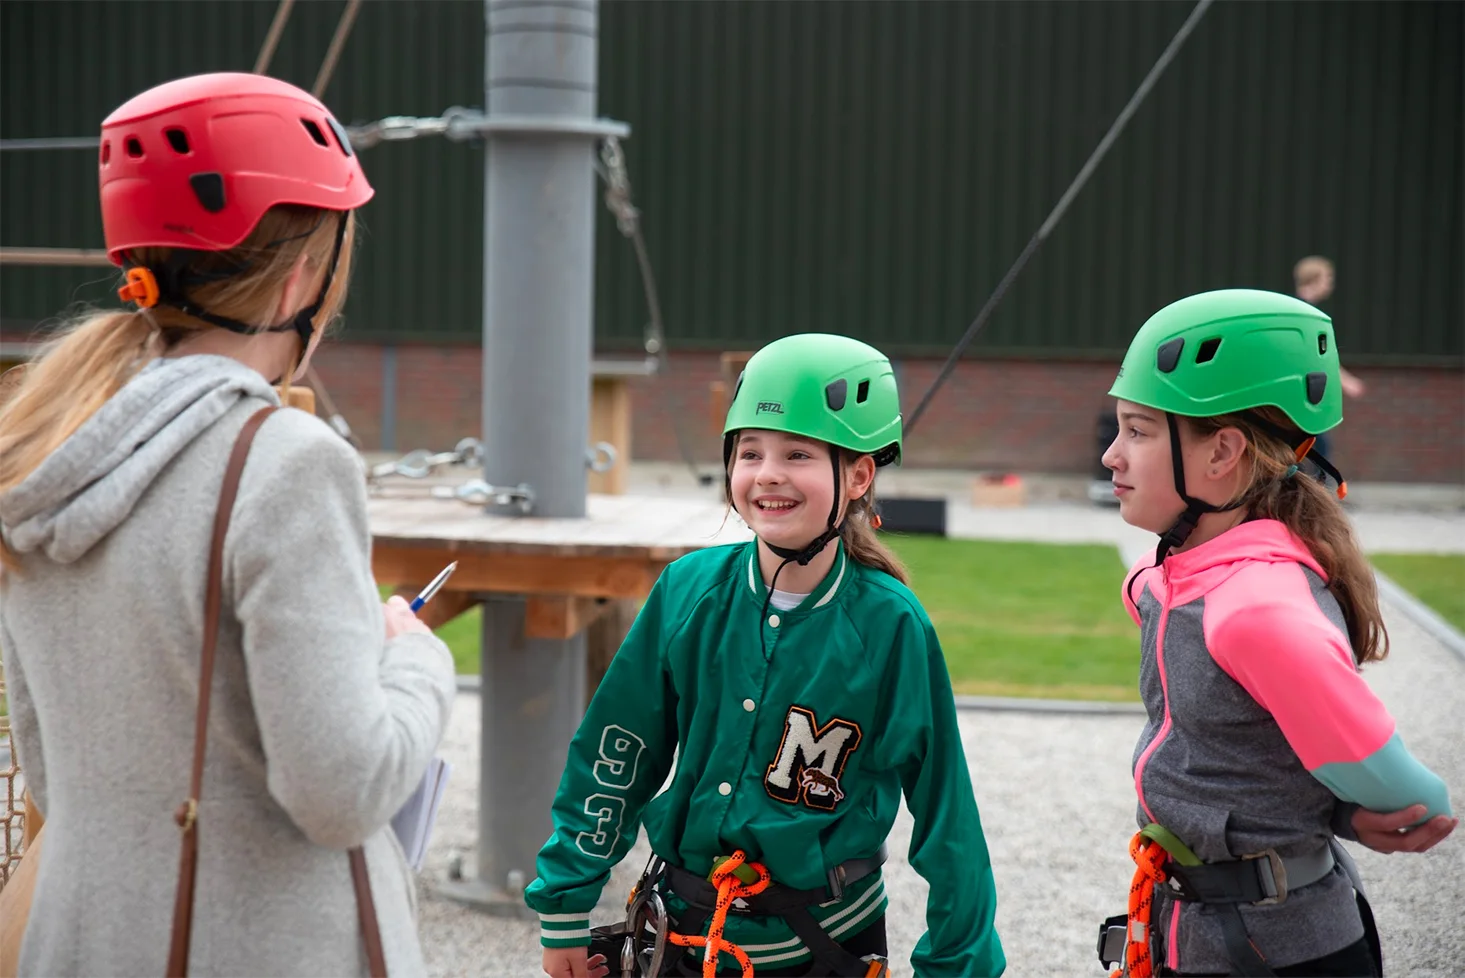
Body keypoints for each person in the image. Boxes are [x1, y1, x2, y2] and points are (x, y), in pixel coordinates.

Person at [0, 73, 456, 975]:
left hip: (84, 942)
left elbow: (54, 771)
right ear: (302, 275)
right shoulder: (289, 462)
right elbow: (344, 789)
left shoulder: (39, 451)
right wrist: (414, 658)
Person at [524, 333, 1005, 978]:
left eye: (798, 453)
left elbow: (948, 815)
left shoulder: (890, 625)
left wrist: (958, 964)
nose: (768, 473)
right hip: (681, 938)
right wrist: (566, 902)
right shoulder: (687, 591)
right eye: (749, 452)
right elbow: (615, 754)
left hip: (824, 948)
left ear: (859, 474)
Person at [1098, 289, 1455, 978]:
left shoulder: (1256, 608)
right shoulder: (1169, 579)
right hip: (1190, 931)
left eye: (1138, 431)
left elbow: (1413, 798)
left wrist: (1364, 810)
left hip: (1278, 953)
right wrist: (1341, 815)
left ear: (1221, 453)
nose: (1111, 455)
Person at [1293, 256, 1365, 473]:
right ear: (1314, 279)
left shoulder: (1301, 310)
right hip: (1304, 392)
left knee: (1314, 443)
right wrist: (1347, 381)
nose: (1329, 284)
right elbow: (1320, 356)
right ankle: (1313, 493)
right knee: (1317, 445)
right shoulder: (1307, 315)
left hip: (1303, 390)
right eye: (1327, 278)